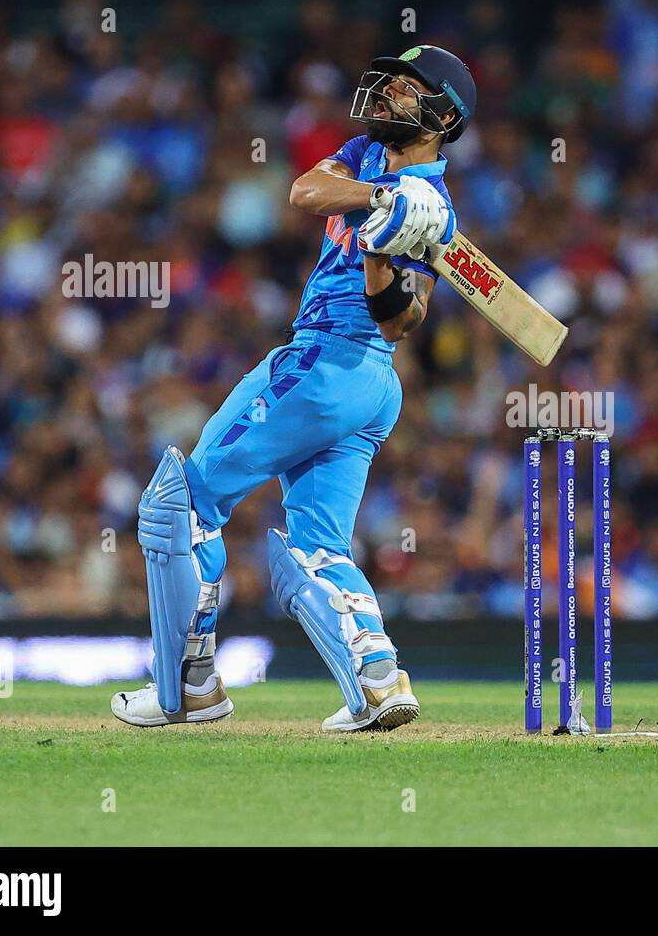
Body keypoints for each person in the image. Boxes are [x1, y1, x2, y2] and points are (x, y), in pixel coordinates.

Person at [111, 45, 475, 732]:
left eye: (405, 88)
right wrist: (382, 202)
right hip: (364, 390)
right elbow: (304, 191)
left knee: (180, 504)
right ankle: (377, 680)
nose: (387, 94)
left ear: (442, 113)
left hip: (328, 363)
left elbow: (403, 319)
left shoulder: (438, 212)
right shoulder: (369, 157)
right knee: (319, 548)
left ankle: (188, 685)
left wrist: (380, 253)